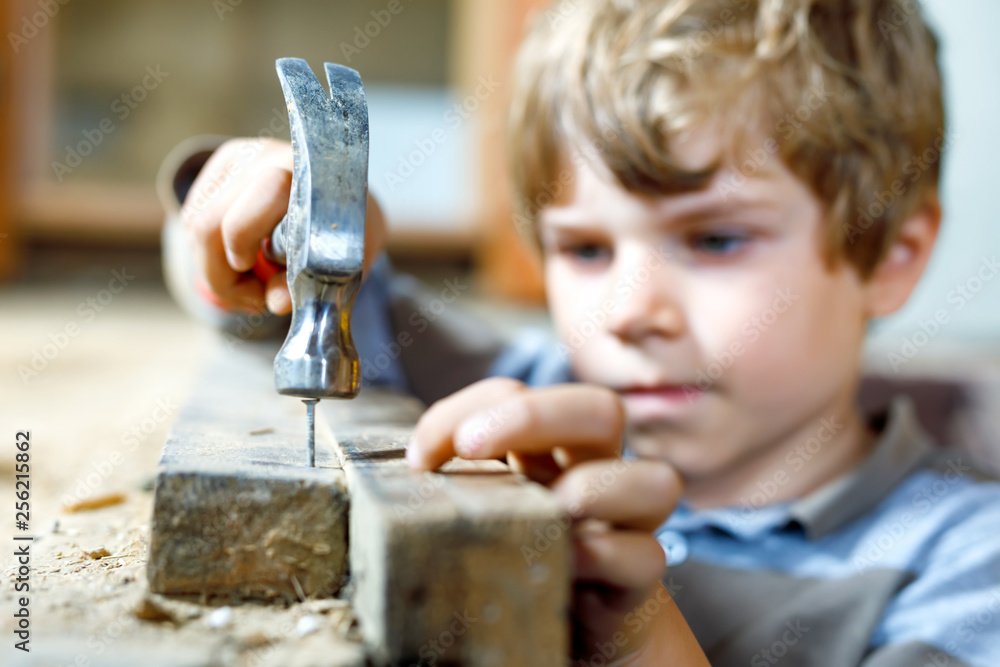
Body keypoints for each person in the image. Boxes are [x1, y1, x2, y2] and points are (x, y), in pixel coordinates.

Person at [160, 0, 1000, 664]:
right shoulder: (531, 394)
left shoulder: (966, 568)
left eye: (715, 239)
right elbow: (276, 312)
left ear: (892, 252)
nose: (632, 310)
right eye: (587, 247)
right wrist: (259, 220)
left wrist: (638, 639)